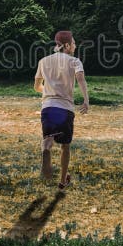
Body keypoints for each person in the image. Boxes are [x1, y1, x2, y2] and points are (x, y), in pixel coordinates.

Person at [34, 30, 89, 189]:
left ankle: (46, 150)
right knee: (65, 145)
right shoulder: (75, 61)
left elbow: (36, 86)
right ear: (66, 45)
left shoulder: (43, 61)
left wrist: (48, 91)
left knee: (48, 139)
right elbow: (80, 79)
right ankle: (63, 179)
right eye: (73, 43)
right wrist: (86, 100)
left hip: (48, 107)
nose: (75, 45)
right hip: (65, 109)